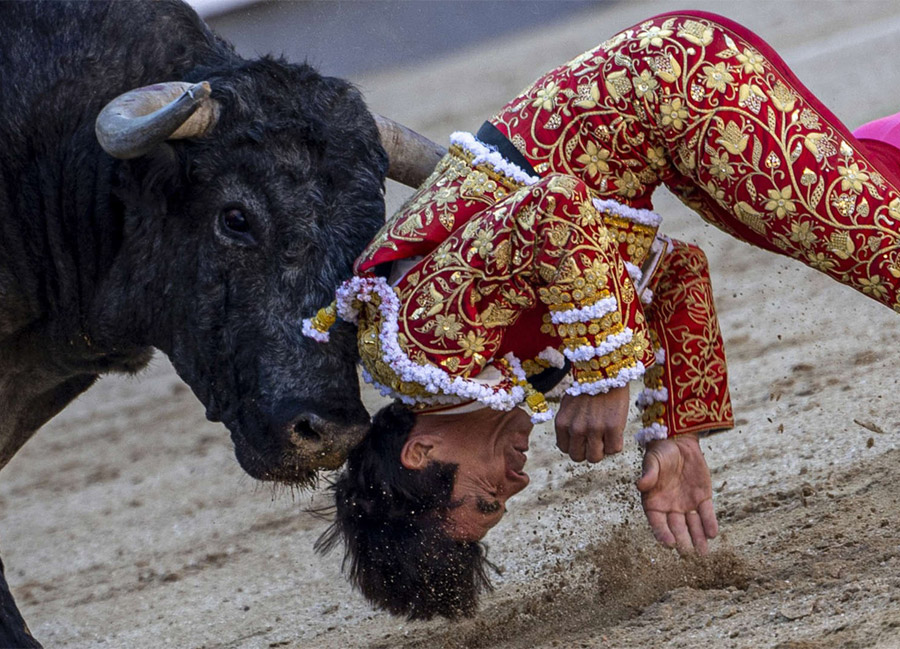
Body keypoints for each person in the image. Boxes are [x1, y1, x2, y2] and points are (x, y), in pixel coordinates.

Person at [307, 10, 900, 619]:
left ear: (420, 453)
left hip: (673, 82)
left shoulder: (419, 339)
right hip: (671, 115)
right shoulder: (499, 373)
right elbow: (676, 273)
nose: (519, 485)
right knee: (858, 217)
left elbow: (553, 206)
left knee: (880, 249)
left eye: (485, 500)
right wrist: (676, 435)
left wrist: (605, 376)